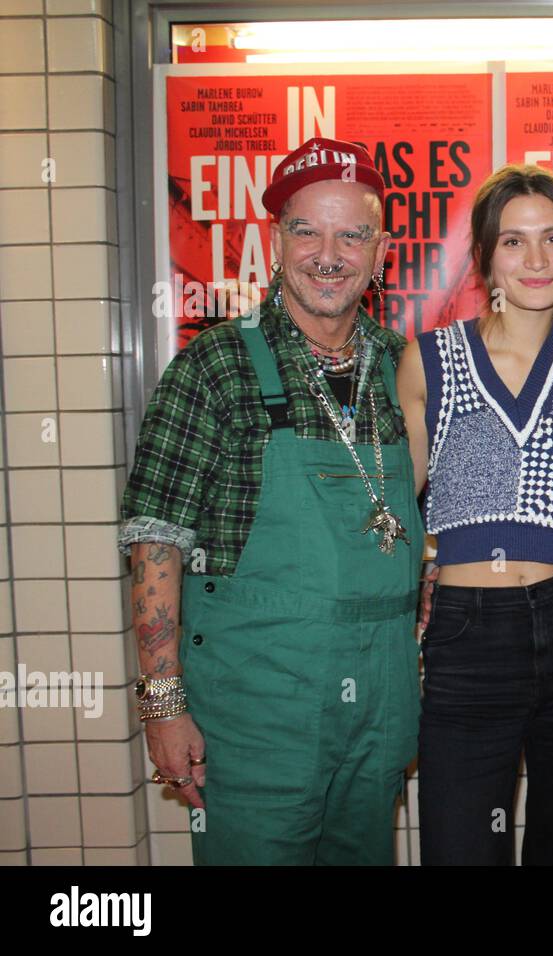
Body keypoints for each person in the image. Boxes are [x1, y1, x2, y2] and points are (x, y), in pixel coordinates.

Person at [119, 138, 420, 865]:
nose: (329, 254)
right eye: (306, 230)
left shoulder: (403, 369)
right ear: (272, 241)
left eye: (352, 234)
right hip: (259, 710)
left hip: (378, 703)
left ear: (381, 251)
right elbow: (154, 542)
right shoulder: (215, 364)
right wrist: (163, 706)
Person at [399, 164, 553, 866]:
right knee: (462, 846)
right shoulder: (429, 361)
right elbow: (398, 513)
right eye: (514, 242)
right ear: (486, 256)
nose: (535, 259)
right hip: (468, 631)